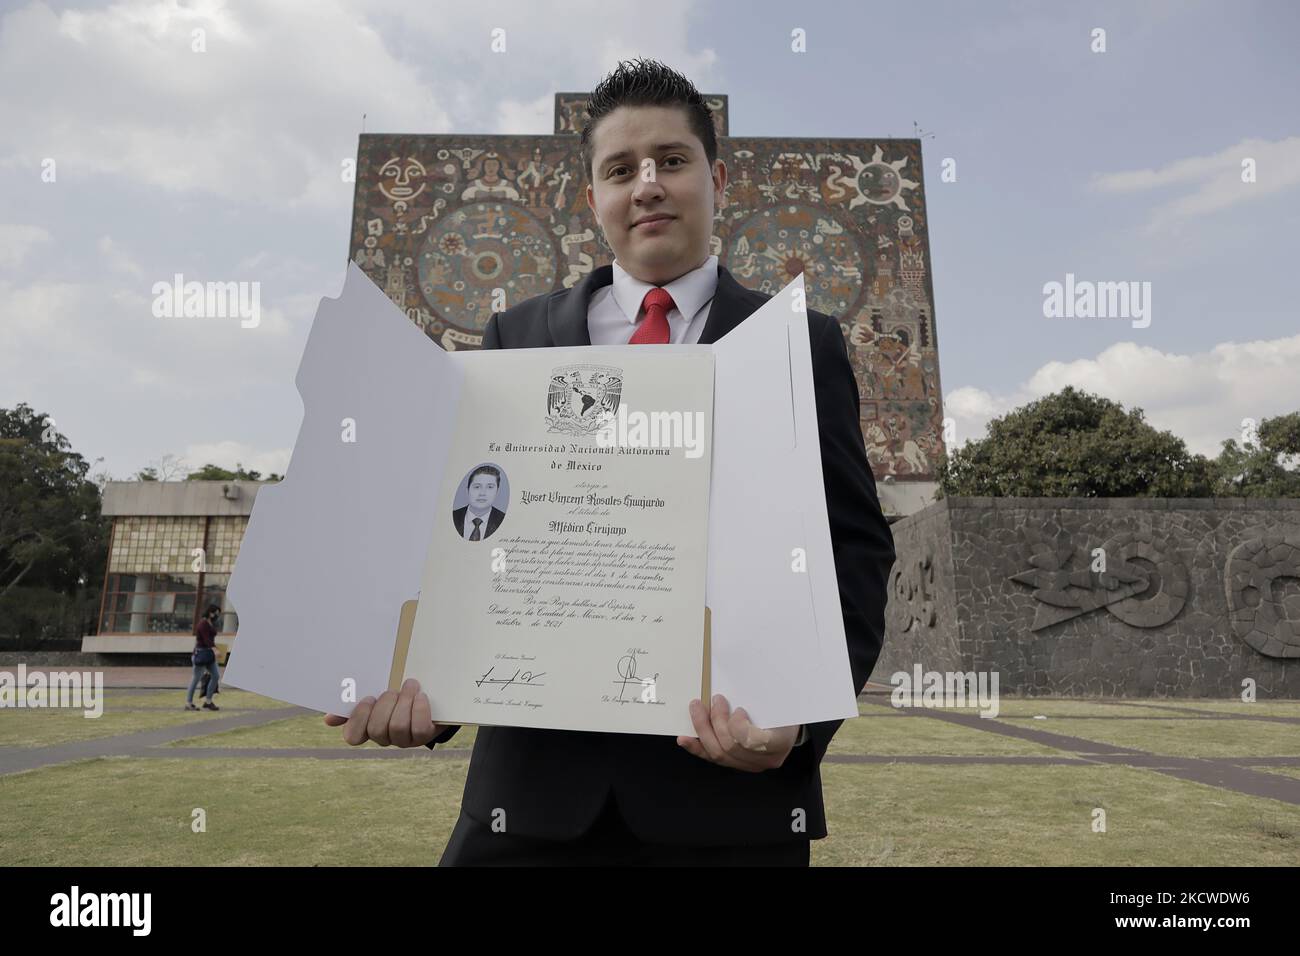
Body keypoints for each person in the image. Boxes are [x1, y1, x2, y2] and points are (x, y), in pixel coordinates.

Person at [326, 58, 896, 866]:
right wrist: (426, 689)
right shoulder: (512, 341)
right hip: (528, 808)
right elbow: (468, 542)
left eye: (672, 160)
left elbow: (856, 550)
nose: (648, 185)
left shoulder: (800, 344)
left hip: (727, 804)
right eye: (621, 170)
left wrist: (800, 720)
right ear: (592, 199)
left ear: (717, 177)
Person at [451, 465, 506, 541]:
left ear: (497, 492)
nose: (482, 493)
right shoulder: (453, 516)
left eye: (490, 487)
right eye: (477, 487)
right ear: (467, 490)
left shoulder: (504, 520)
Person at [186, 604, 222, 712]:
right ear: (210, 612)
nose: (217, 616)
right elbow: (207, 640)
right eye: (216, 613)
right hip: (201, 655)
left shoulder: (210, 623)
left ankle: (208, 701)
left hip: (209, 655)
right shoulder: (203, 624)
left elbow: (210, 639)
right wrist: (215, 649)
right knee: (196, 679)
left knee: (215, 676)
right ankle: (189, 703)